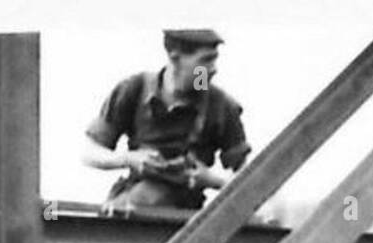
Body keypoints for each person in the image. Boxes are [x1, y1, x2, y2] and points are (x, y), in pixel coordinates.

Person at [84, 29, 250, 213]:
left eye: (215, 59)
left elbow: (250, 178)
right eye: (205, 61)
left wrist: (211, 179)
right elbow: (90, 153)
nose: (213, 69)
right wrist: (130, 159)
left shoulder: (221, 105)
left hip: (187, 216)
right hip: (131, 205)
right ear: (175, 58)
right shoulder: (134, 89)